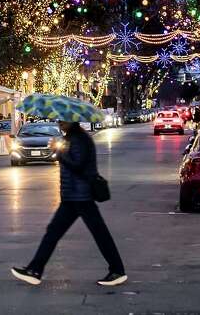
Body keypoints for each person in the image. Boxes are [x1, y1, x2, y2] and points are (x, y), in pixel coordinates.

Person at [12, 120, 127, 287]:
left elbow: (78, 165)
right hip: (72, 196)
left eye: (63, 121)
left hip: (81, 196)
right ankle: (35, 270)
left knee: (99, 234)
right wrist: (61, 150)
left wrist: (58, 153)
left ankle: (117, 270)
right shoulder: (72, 138)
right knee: (54, 232)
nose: (60, 124)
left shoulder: (79, 139)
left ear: (72, 122)